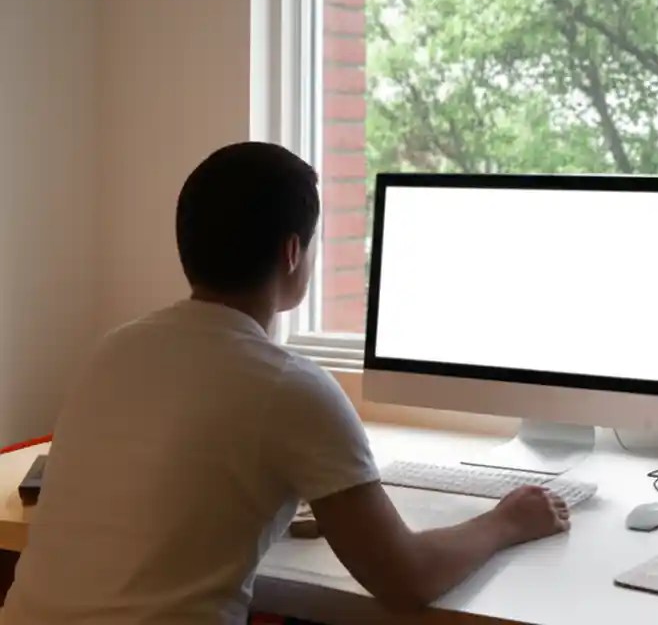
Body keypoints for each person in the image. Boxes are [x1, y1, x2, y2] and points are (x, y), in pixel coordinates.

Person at [2, 142, 569, 625]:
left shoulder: (114, 349)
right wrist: (507, 520)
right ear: (293, 251)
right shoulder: (289, 387)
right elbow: (406, 580)